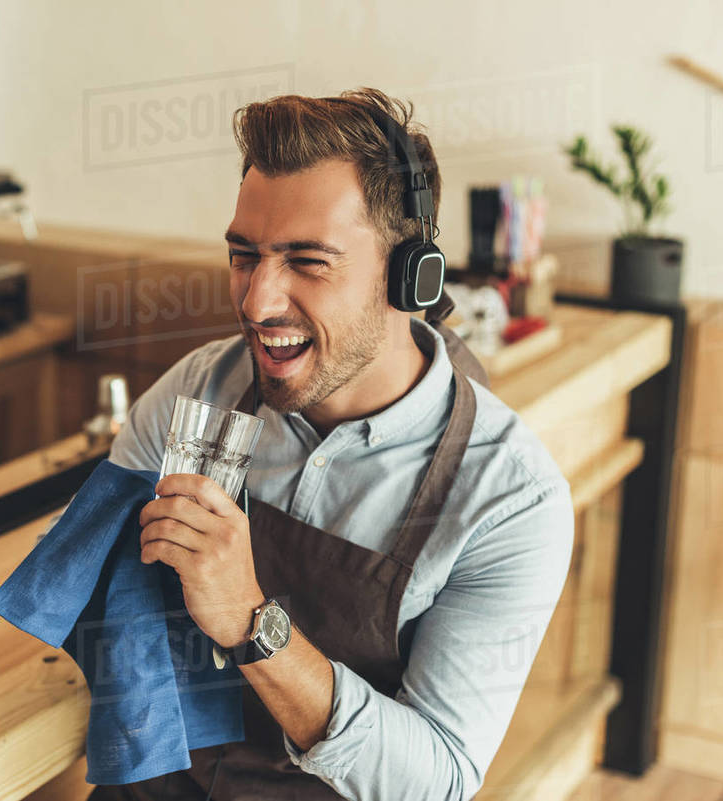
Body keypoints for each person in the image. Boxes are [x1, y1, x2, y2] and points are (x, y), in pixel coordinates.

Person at [85, 87, 574, 801]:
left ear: (410, 276)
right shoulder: (203, 385)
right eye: (245, 255)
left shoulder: (510, 500)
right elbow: (89, 573)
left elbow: (434, 781)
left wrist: (254, 625)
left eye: (308, 262)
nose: (256, 302)